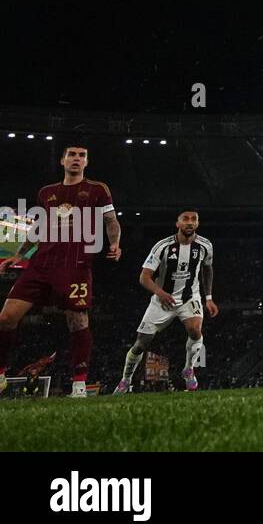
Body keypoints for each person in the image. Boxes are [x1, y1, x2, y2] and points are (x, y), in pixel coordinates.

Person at [0, 145, 120, 397]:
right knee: (6, 317)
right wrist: (20, 255)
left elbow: (111, 221)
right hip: (41, 264)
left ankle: (78, 383)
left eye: (82, 156)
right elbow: (38, 228)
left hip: (75, 265)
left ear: (86, 162)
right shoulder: (47, 192)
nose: (77, 159)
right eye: (72, 155)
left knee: (77, 322)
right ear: (62, 160)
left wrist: (115, 243)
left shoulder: (98, 189)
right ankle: (0, 373)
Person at [115, 210, 218, 392]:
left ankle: (188, 369)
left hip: (189, 298)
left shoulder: (205, 245)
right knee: (141, 344)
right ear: (177, 224)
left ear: (197, 224)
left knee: (195, 330)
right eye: (185, 219)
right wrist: (160, 293)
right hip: (162, 301)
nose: (189, 222)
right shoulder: (162, 246)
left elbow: (207, 269)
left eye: (193, 219)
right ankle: (125, 380)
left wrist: (208, 297)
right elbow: (144, 277)